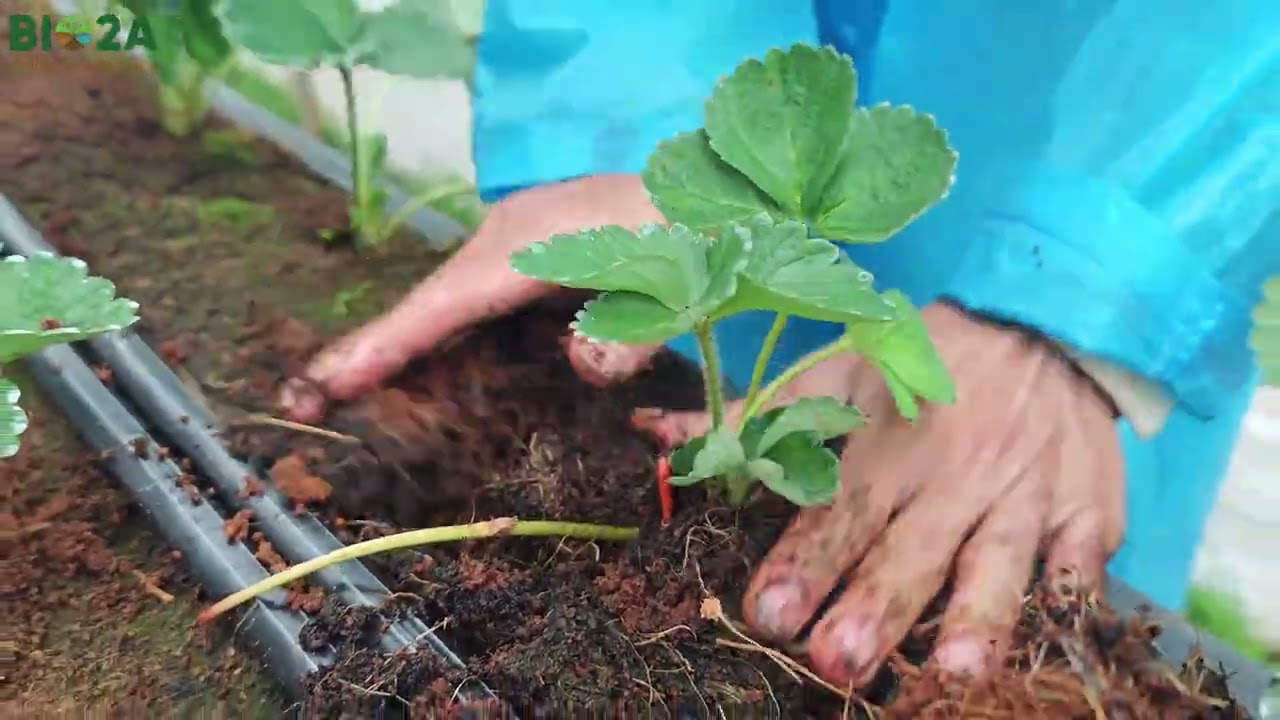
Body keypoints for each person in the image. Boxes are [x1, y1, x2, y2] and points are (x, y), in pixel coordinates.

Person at [279, 0, 1279, 688]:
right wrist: (628, 125)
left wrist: (1098, 281)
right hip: (748, 127)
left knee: (998, 579)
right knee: (696, 418)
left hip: (1132, 121)